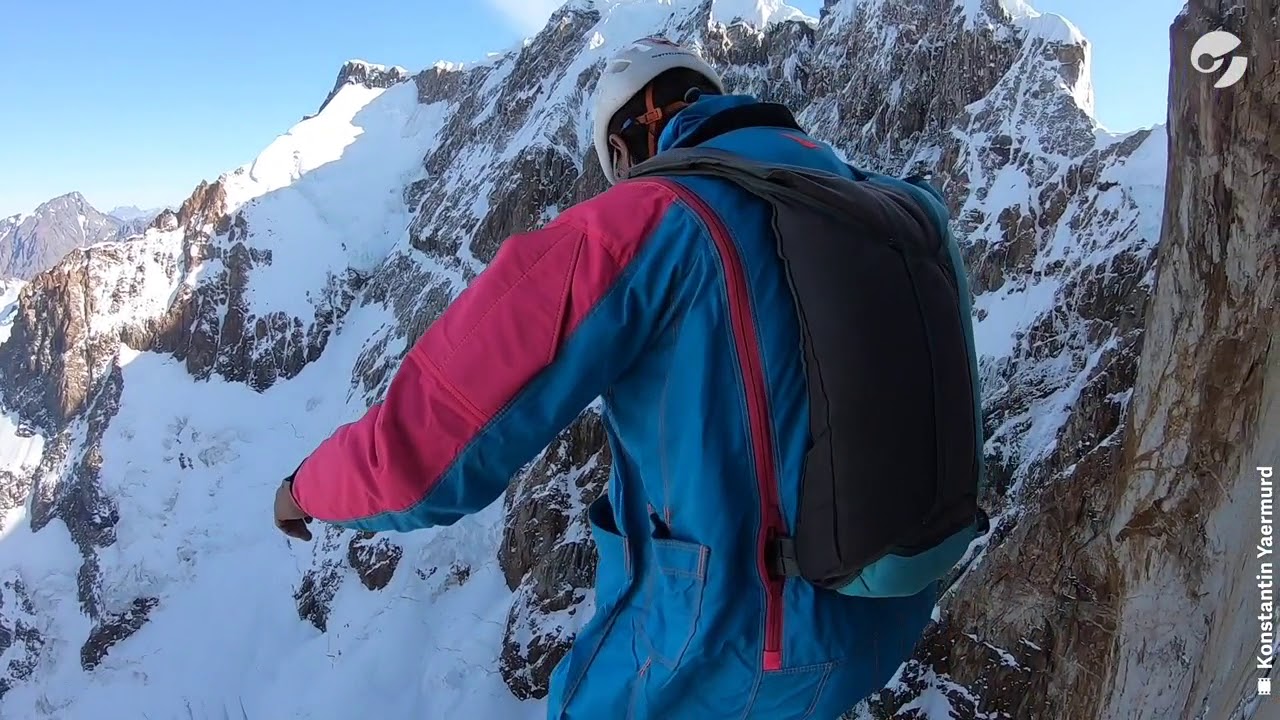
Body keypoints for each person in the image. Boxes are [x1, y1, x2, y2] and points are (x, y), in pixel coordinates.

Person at [274, 37, 977, 719]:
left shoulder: (643, 220)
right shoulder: (891, 203)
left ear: (622, 147)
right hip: (882, 617)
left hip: (726, 649)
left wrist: (306, 489)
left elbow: (425, 450)